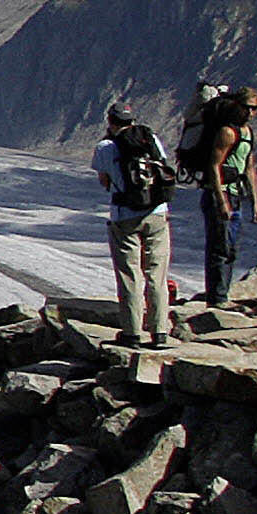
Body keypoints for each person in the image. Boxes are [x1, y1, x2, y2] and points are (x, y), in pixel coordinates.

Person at [94, 99, 178, 346]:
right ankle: (160, 331)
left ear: (111, 122)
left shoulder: (106, 147)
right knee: (157, 274)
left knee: (130, 275)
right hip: (157, 212)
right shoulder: (150, 138)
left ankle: (132, 332)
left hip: (125, 217)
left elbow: (105, 182)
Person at [187, 84, 257, 304]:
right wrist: (221, 201)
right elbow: (214, 166)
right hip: (221, 195)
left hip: (235, 196)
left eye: (254, 109)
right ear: (237, 105)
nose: (250, 113)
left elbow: (249, 168)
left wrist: (256, 201)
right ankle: (217, 297)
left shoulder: (247, 133)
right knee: (219, 247)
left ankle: (221, 292)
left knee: (230, 247)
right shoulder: (227, 132)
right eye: (247, 107)